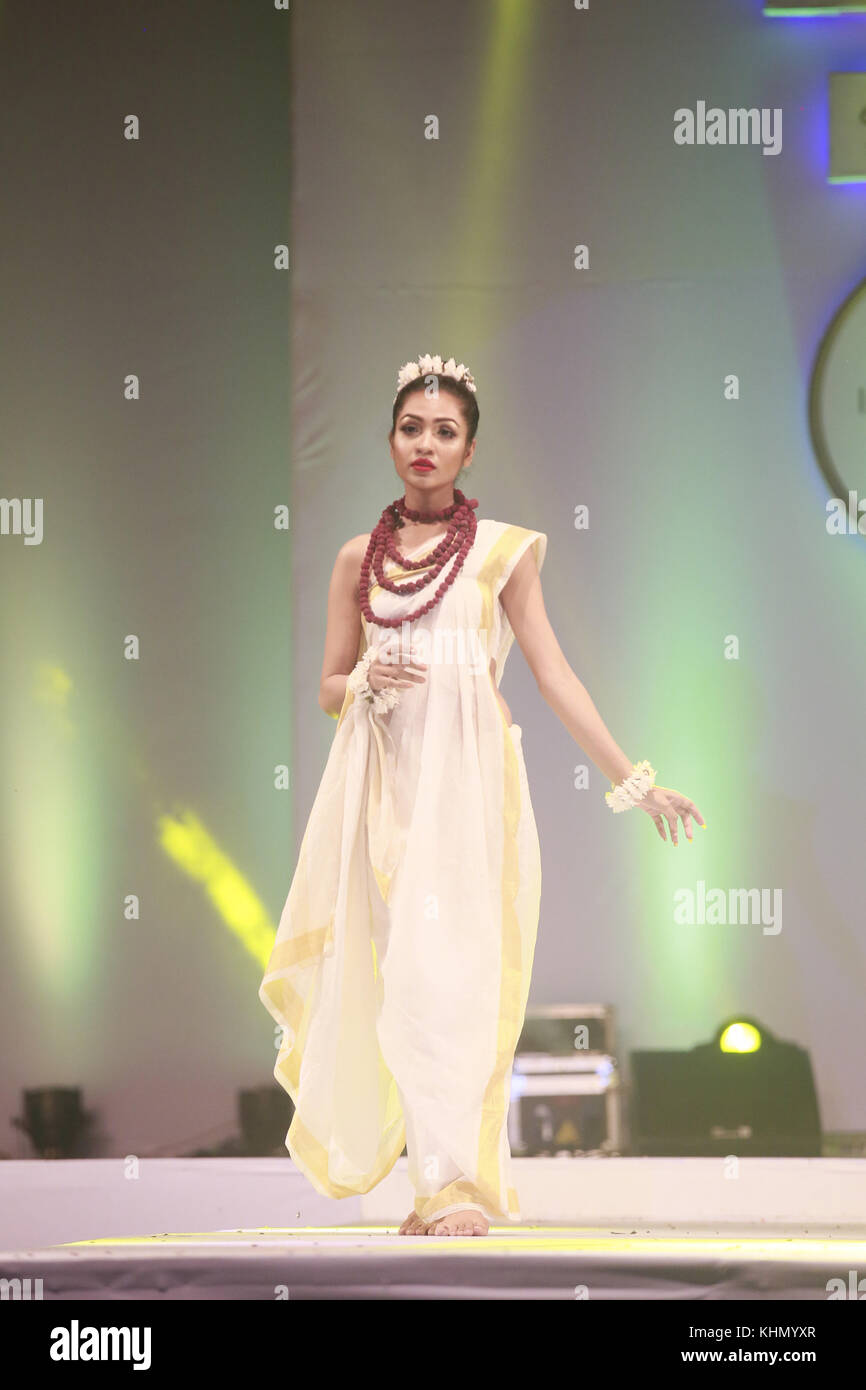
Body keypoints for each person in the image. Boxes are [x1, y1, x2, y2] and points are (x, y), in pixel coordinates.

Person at [259, 353, 704, 1237]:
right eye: (411, 428)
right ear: (391, 439)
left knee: (450, 974)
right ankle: (430, 1183)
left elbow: (554, 673)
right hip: (381, 780)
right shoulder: (360, 555)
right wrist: (365, 679)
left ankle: (454, 1186)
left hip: (467, 781)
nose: (426, 444)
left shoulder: (504, 551)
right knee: (394, 979)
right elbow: (327, 688)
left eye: (445, 431)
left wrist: (634, 779)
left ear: (469, 450)